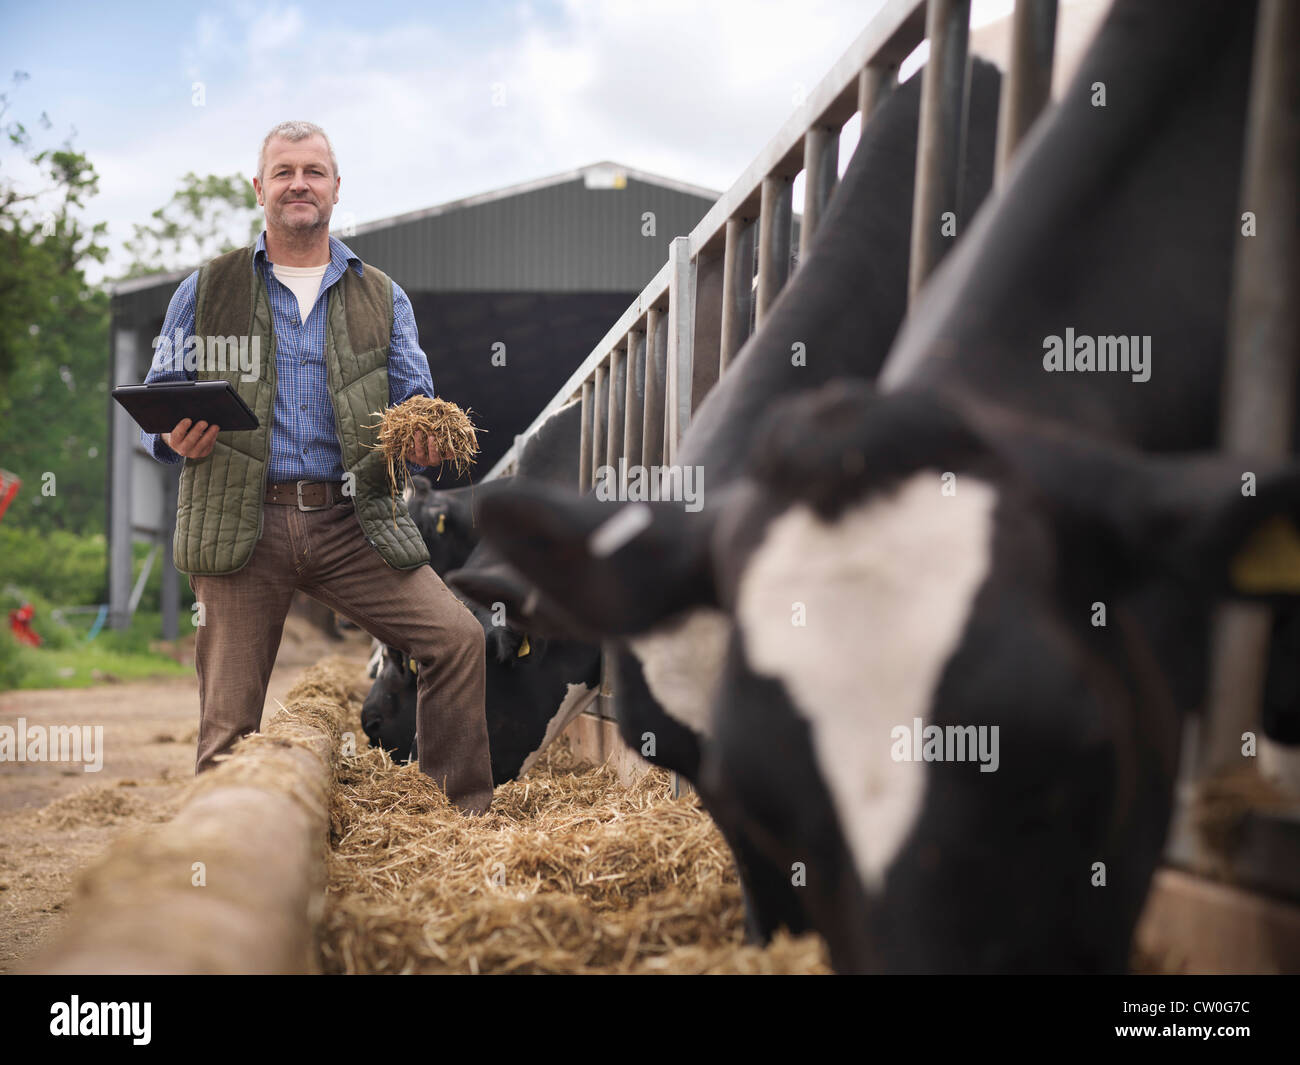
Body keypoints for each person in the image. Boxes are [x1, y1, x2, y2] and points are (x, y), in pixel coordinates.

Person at [139, 120, 492, 814]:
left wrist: (422, 435)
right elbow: (159, 398)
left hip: (351, 519)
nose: (298, 183)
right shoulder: (205, 290)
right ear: (259, 188)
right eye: (284, 171)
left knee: (457, 639)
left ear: (335, 186)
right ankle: (222, 856)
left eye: (313, 171)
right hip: (242, 519)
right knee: (229, 726)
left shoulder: (382, 295)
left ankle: (459, 818)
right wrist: (173, 436)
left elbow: (413, 397)